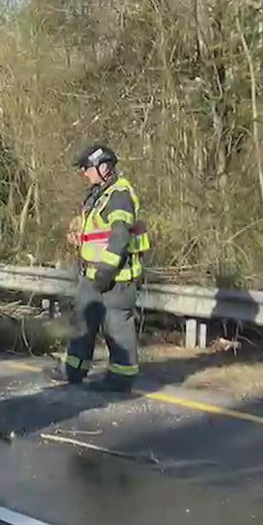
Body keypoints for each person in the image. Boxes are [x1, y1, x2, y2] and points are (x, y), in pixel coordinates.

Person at [59, 143, 151, 392]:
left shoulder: (119, 195)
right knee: (83, 324)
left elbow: (120, 237)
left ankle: (121, 379)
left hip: (115, 278)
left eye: (87, 168)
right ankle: (73, 371)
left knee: (116, 328)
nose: (84, 173)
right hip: (92, 275)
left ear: (104, 167)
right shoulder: (100, 195)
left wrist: (106, 272)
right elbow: (97, 232)